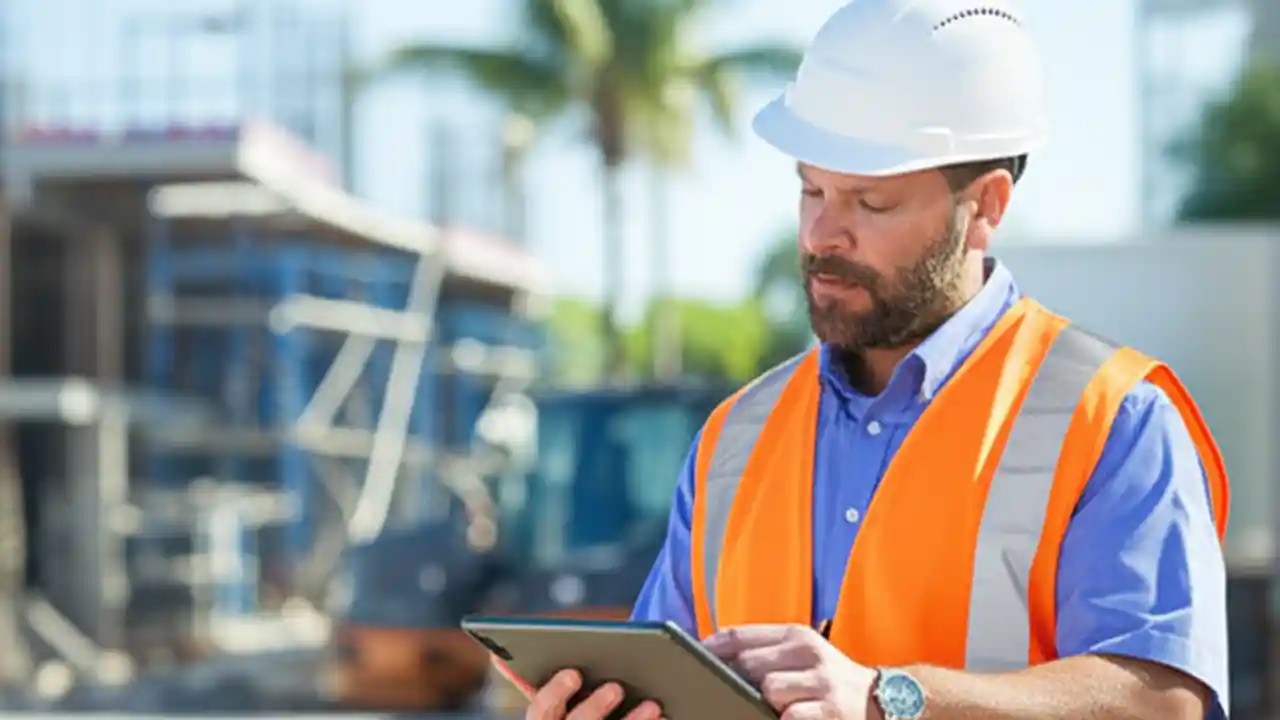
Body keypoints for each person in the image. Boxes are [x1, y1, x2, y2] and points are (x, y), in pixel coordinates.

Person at [520, 0, 1231, 718]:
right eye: (811, 189)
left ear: (985, 206)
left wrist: (890, 698)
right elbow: (672, 684)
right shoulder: (733, 440)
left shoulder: (1114, 418)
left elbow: (1163, 703)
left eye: (872, 203)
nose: (824, 233)